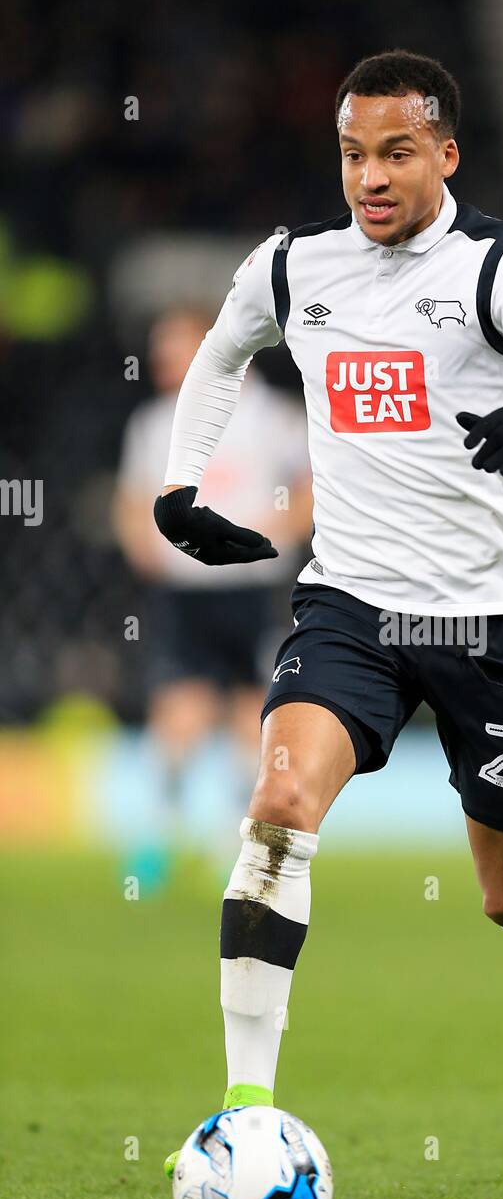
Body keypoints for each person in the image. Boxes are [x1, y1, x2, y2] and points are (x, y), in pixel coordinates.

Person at [155, 50, 503, 1176]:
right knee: (279, 804)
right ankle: (244, 1113)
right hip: (353, 605)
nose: (368, 177)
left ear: (445, 153)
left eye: (393, 153)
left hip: (493, 618)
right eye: (350, 153)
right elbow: (220, 356)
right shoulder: (295, 266)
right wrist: (178, 487)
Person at [114, 307, 313, 886]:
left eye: (171, 347)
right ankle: (159, 830)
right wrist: (141, 542)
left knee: (254, 711)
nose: (159, 361)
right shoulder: (152, 424)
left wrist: (273, 532)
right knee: (179, 707)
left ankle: (236, 834)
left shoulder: (271, 416)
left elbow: (310, 490)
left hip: (254, 588)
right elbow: (132, 500)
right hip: (186, 590)